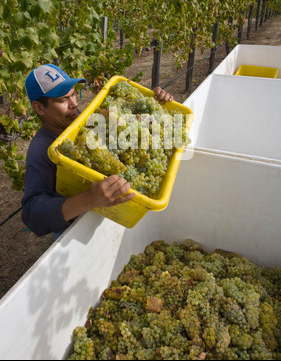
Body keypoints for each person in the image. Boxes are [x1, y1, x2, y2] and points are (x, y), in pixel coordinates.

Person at [22, 64, 173, 238]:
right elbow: (32, 215)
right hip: (75, 233)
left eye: (73, 94)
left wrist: (149, 105)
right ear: (39, 108)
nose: (74, 104)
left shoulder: (79, 119)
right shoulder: (42, 149)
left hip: (109, 214)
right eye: (63, 100)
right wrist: (89, 199)